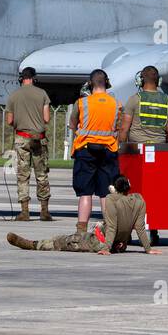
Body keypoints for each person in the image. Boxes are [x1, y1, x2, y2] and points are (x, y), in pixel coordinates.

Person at [5, 176, 158, 254]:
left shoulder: (112, 200)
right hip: (120, 245)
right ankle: (36, 244)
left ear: (114, 188)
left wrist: (106, 248)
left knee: (64, 241)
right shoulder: (139, 201)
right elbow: (140, 228)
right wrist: (148, 249)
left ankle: (33, 244)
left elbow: (112, 227)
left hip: (100, 241)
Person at [66, 69, 122, 235]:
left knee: (85, 193)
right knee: (105, 194)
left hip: (85, 151)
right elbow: (118, 127)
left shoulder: (82, 103)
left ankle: (81, 230)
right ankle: (109, 230)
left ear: (90, 84)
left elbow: (72, 125)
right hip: (108, 151)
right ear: (107, 83)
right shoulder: (117, 104)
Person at [5, 67, 53, 221]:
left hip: (21, 139)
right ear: (34, 78)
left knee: (23, 175)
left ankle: (24, 212)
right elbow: (46, 119)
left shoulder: (13, 95)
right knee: (41, 174)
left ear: (21, 79)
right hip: (38, 138)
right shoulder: (42, 94)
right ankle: (44, 211)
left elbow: (9, 121)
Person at [121, 65, 168, 145]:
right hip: (159, 148)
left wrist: (122, 148)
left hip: (137, 148)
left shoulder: (134, 99)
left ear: (140, 81)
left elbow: (123, 129)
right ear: (159, 81)